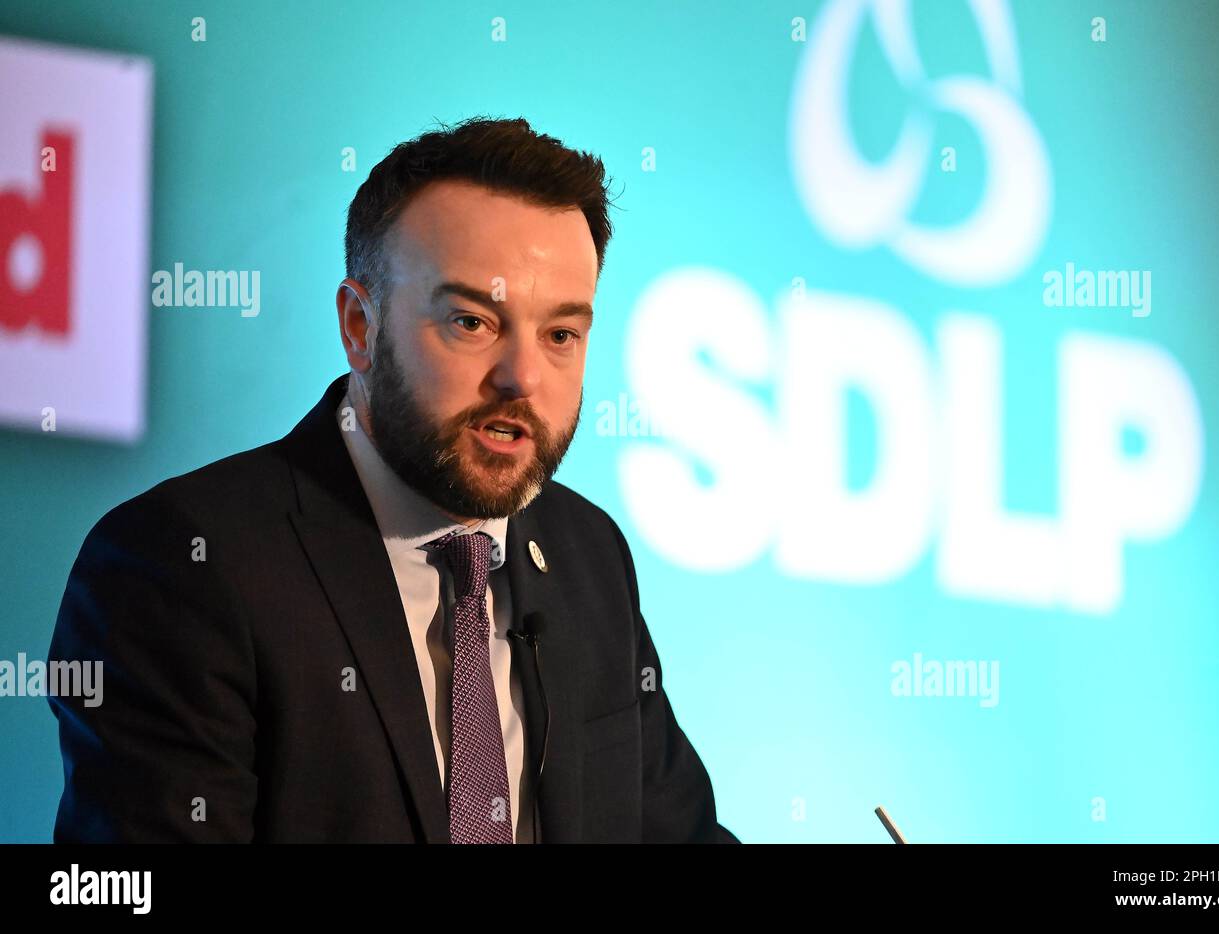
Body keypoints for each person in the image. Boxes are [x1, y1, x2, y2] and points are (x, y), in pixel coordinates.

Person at [48, 116, 738, 843]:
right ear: (358, 325)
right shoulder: (184, 565)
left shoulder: (587, 553)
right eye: (472, 322)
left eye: (560, 334)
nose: (523, 377)